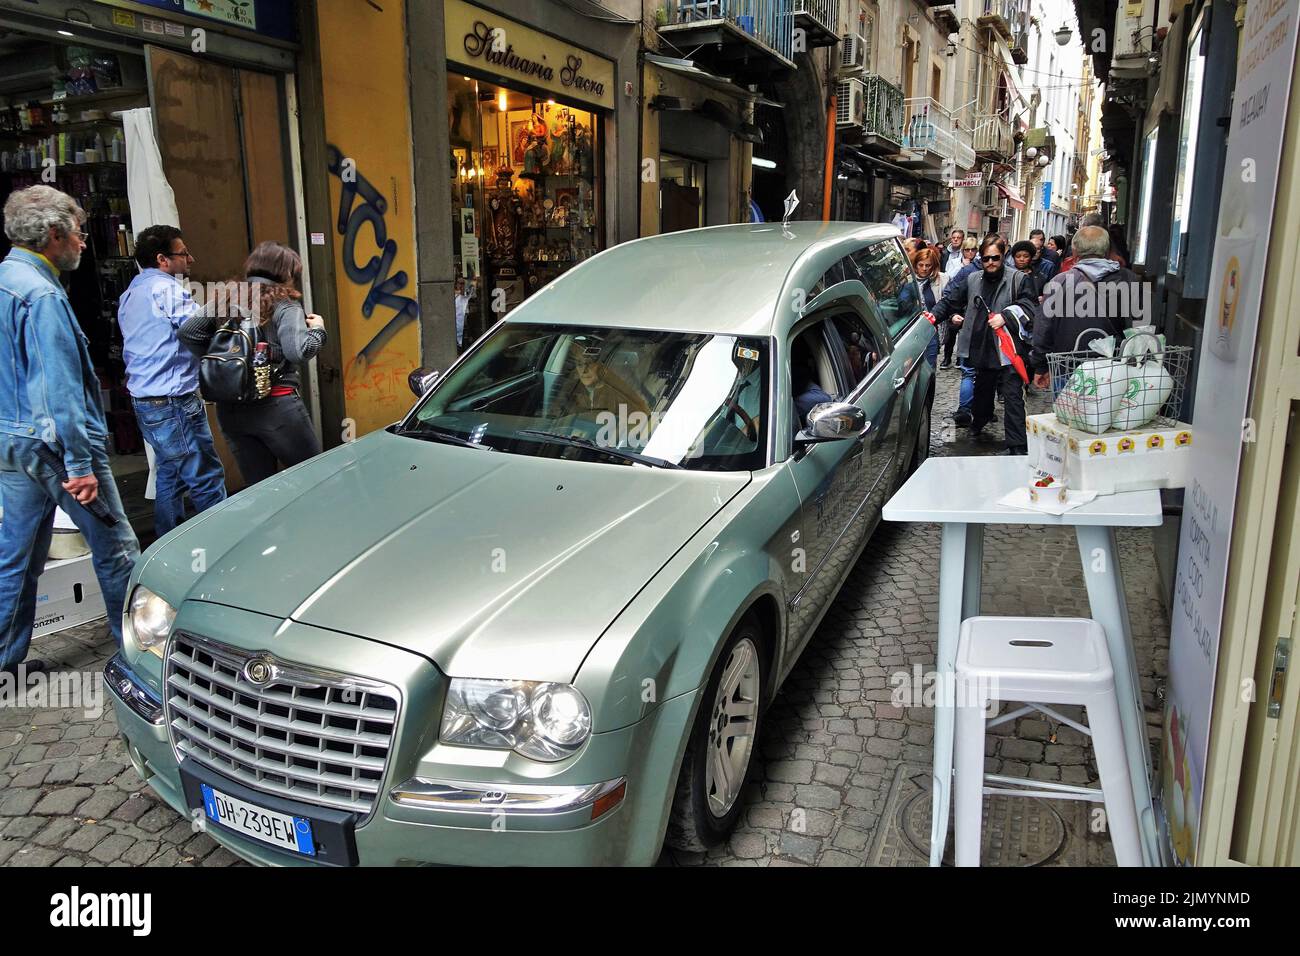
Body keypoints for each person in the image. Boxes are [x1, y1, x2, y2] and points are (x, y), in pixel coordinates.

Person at [0, 186, 140, 678]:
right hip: (55, 447)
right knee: (117, 549)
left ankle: (3, 663)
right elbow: (59, 387)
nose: (84, 242)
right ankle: (140, 653)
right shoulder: (40, 293)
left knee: (17, 558)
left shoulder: (5, 279)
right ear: (54, 234)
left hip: (13, 444)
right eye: (79, 233)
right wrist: (80, 466)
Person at [179, 241, 326, 485]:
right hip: (277, 407)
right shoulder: (285, 305)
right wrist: (318, 330)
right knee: (316, 480)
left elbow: (188, 332)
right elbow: (297, 352)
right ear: (286, 273)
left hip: (232, 410)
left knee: (260, 488)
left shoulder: (226, 298)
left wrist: (224, 360)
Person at [117, 225, 226, 535]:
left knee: (169, 473)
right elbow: (196, 326)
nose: (190, 258)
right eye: (183, 253)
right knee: (205, 476)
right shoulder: (165, 289)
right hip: (172, 402)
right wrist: (223, 307)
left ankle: (166, 543)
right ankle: (224, 546)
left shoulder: (131, 292)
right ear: (163, 259)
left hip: (145, 402)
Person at [926, 236, 1038, 455]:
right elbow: (951, 300)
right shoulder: (972, 278)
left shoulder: (1018, 279)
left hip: (1008, 349)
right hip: (982, 346)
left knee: (1013, 396)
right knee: (983, 390)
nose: (990, 263)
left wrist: (1006, 316)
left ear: (1003, 255)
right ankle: (979, 421)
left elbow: (1030, 308)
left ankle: (1017, 446)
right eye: (985, 258)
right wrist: (933, 316)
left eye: (995, 258)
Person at [1031, 225, 1145, 390]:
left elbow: (1043, 329)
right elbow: (1143, 328)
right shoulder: (1132, 280)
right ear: (1106, 251)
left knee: (1067, 415)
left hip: (1068, 370)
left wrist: (1041, 365)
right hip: (1116, 371)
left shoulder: (1059, 282)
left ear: (1075, 251)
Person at [552, 346, 650, 422]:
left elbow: (639, 420)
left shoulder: (618, 395)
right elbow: (554, 416)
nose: (584, 370)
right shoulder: (570, 391)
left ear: (602, 367)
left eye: (589, 364)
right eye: (580, 364)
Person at [910, 246, 948, 369]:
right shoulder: (908, 281)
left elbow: (947, 301)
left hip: (931, 331)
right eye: (921, 265)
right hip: (912, 331)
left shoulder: (942, 279)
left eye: (928, 265)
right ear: (916, 265)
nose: (924, 269)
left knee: (929, 367)